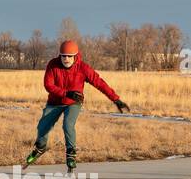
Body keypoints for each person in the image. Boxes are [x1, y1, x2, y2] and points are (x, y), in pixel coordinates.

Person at [24, 40, 130, 172]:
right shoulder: (53, 65)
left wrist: (116, 100)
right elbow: (48, 85)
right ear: (60, 55)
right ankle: (40, 148)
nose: (66, 59)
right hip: (55, 102)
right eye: (64, 56)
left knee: (68, 124)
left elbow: (99, 83)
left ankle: (71, 154)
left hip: (74, 103)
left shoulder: (83, 68)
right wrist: (67, 93)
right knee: (43, 127)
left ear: (75, 56)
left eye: (70, 56)